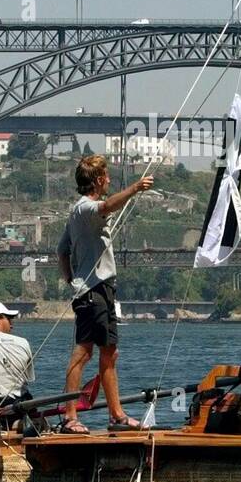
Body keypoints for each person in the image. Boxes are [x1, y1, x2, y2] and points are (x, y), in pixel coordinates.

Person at [56, 153, 153, 433]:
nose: (109, 179)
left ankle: (117, 415)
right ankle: (70, 416)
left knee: (110, 353)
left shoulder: (78, 215)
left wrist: (69, 279)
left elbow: (61, 251)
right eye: (107, 176)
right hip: (92, 291)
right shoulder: (85, 209)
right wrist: (135, 188)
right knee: (83, 353)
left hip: (102, 288)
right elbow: (108, 205)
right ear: (98, 180)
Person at [0, 301, 35, 412]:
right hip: (18, 405)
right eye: (8, 319)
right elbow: (28, 378)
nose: (11, 324)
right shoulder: (22, 342)